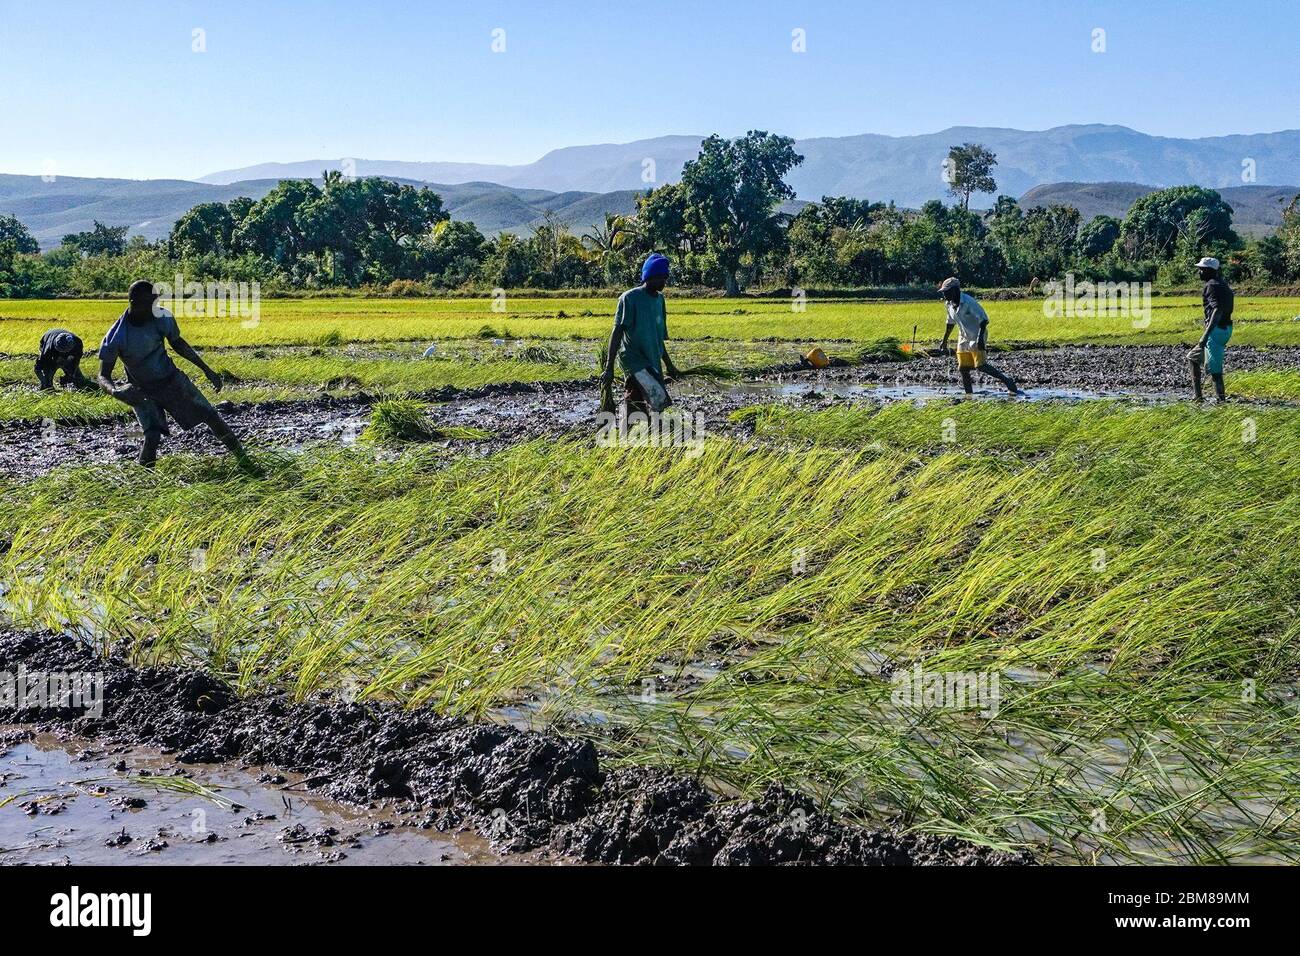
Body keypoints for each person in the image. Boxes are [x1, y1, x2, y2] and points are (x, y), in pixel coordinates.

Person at [97, 279, 254, 469]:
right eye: (149, 304)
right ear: (134, 304)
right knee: (152, 435)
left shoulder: (161, 316)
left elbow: (178, 343)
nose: (155, 307)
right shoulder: (117, 336)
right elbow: (103, 375)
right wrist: (116, 391)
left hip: (171, 380)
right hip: (142, 390)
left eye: (156, 302)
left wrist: (206, 370)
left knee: (211, 416)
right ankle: (146, 479)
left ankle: (244, 460)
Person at [600, 253, 681, 423]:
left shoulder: (660, 301)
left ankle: (642, 437)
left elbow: (658, 339)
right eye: (661, 278)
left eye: (665, 278)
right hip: (633, 359)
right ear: (650, 276)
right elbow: (617, 332)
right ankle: (635, 436)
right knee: (656, 398)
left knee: (647, 403)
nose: (664, 282)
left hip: (652, 360)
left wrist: (670, 365)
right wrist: (609, 368)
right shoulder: (629, 298)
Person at [938, 277, 1020, 396]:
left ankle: (1007, 381)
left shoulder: (968, 302)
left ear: (955, 290)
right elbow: (950, 323)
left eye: (947, 291)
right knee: (963, 368)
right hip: (963, 337)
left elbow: (984, 319)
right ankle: (969, 395)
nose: (945, 294)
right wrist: (944, 341)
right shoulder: (949, 305)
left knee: (981, 366)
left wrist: (980, 338)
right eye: (944, 292)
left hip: (977, 335)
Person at [1188, 256, 1233, 402]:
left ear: (1209, 271)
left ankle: (1220, 402)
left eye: (1201, 269)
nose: (1199, 272)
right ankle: (1198, 396)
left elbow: (1217, 310)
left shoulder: (1211, 286)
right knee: (1193, 358)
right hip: (1225, 329)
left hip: (1215, 331)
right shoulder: (1223, 284)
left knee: (1215, 371)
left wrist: (1205, 336)